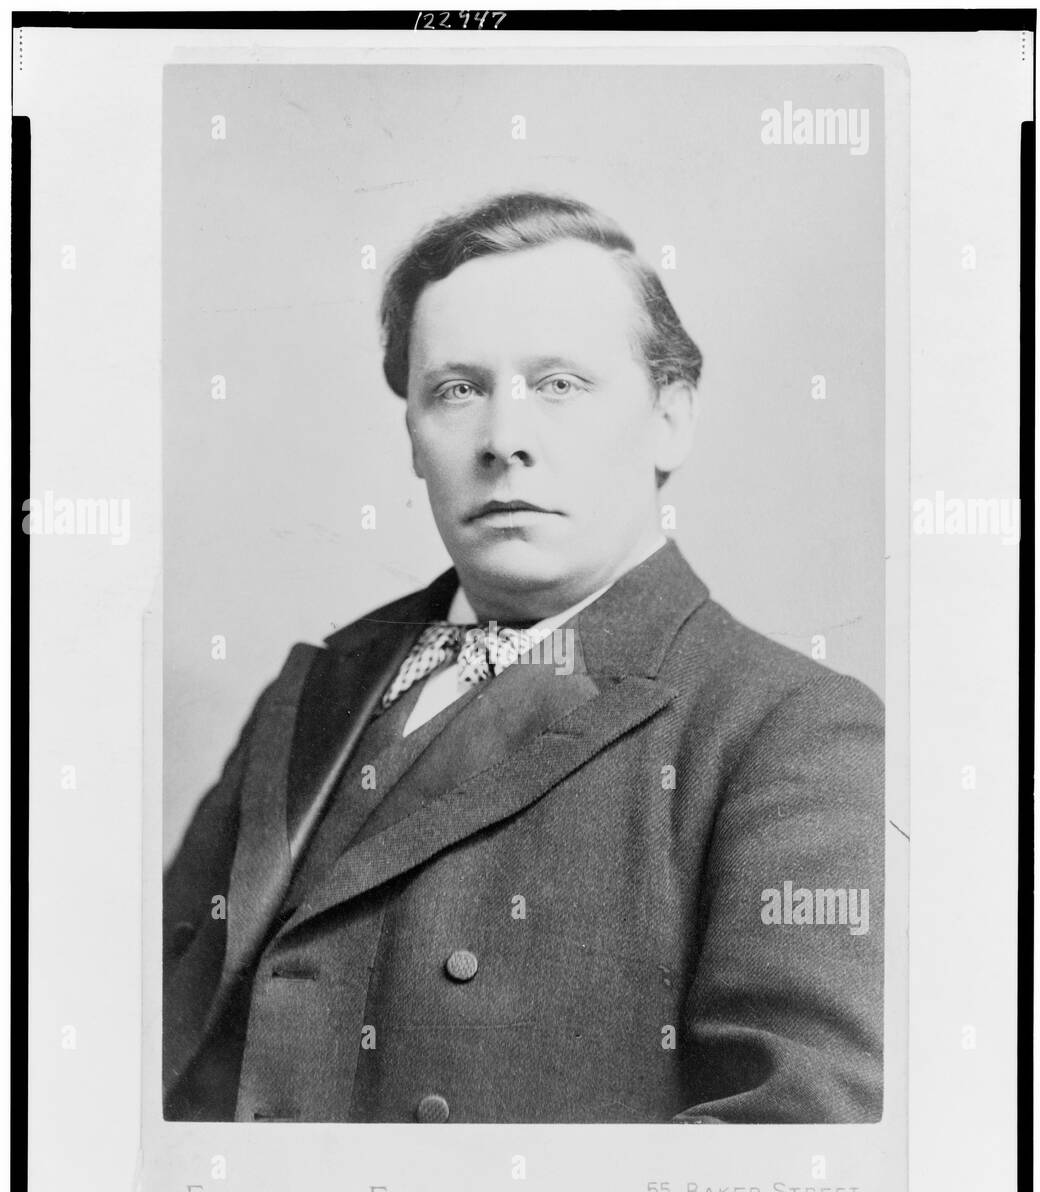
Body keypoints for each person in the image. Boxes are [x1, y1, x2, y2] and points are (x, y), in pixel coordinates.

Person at [164, 191, 884, 1124]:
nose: (505, 440)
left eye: (560, 384)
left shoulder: (790, 732)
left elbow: (797, 1159)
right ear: (413, 438)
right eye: (457, 390)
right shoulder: (317, 690)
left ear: (672, 419)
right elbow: (147, 1033)